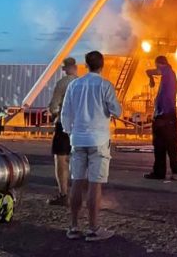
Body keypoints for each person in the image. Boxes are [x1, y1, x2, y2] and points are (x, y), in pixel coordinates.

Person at [60, 50, 121, 242]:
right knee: (95, 184)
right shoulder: (105, 85)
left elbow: (65, 114)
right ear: (102, 65)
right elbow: (117, 111)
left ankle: (73, 226)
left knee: (77, 182)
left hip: (77, 139)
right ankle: (94, 229)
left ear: (85, 65)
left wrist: (71, 133)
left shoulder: (74, 85)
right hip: (99, 140)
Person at [144, 55, 177, 180]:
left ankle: (172, 172)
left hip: (165, 116)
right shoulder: (168, 76)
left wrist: (150, 75)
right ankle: (162, 173)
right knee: (161, 146)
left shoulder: (168, 72)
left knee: (168, 146)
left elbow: (153, 71)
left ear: (159, 64)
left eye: (157, 65)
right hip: (164, 116)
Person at [48, 57, 79, 206]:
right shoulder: (83, 83)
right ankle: (79, 195)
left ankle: (63, 194)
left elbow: (53, 106)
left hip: (63, 125)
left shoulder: (62, 83)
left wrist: (54, 112)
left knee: (61, 159)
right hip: (80, 127)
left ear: (65, 68)